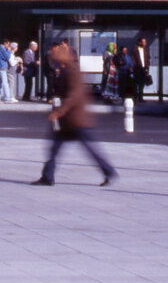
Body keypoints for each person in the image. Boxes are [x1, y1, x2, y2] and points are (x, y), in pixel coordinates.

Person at [34, 41, 117, 187]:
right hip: (68, 121)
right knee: (55, 149)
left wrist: (59, 111)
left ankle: (108, 171)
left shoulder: (71, 71)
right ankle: (47, 176)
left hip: (75, 120)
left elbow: (73, 95)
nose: (54, 57)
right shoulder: (65, 70)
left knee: (89, 149)